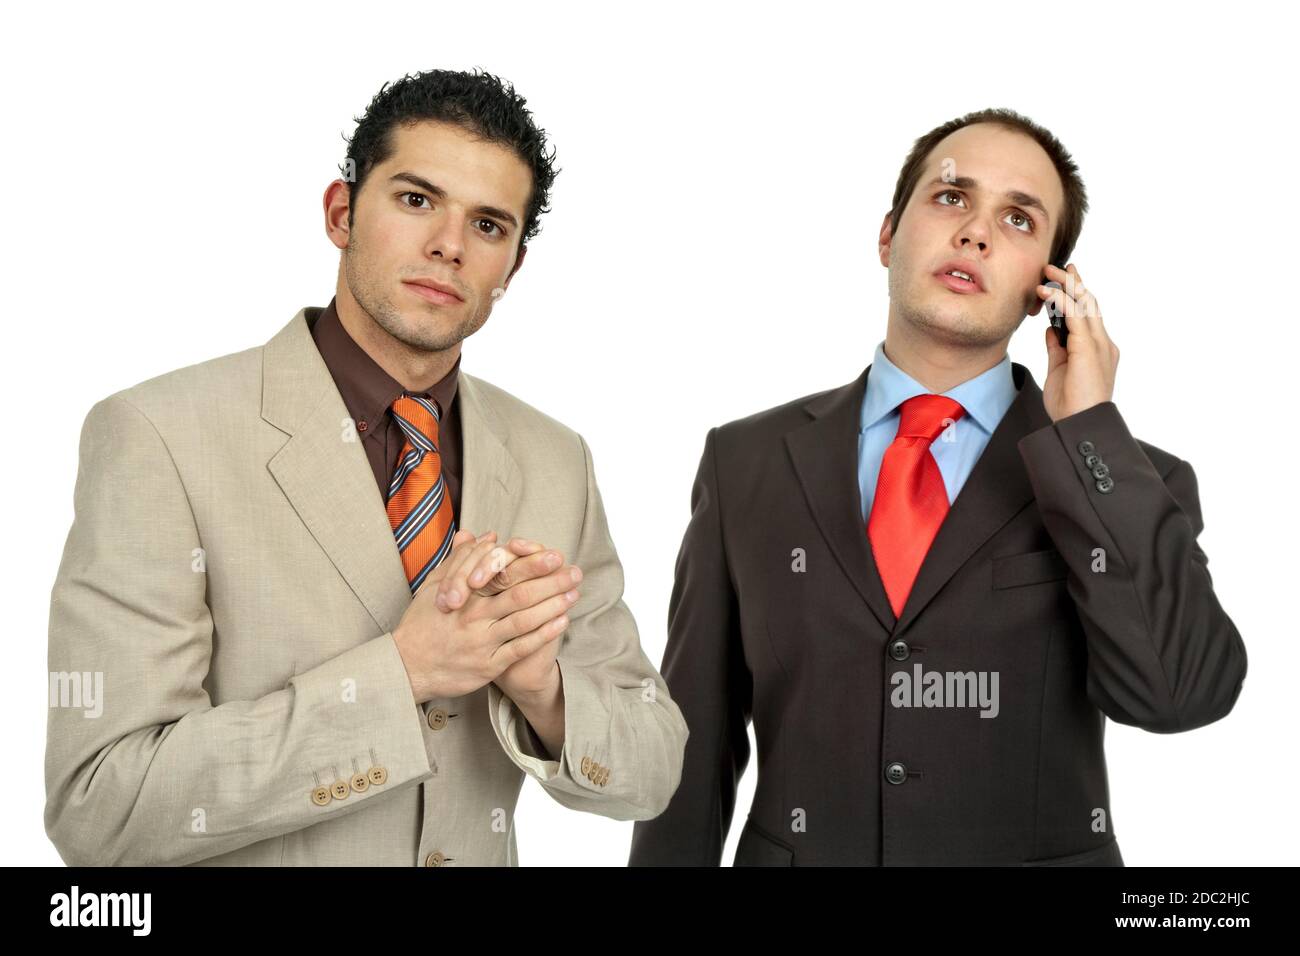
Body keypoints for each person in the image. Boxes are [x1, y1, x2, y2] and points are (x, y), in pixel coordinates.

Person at [45, 68, 687, 867]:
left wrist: (544, 692)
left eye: (488, 225)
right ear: (342, 213)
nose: (449, 244)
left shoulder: (556, 458)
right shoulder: (160, 435)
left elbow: (653, 770)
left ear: (512, 267)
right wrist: (400, 674)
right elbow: (102, 806)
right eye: (416, 200)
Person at [628, 108, 1246, 867]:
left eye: (1018, 218)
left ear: (1048, 288)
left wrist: (1089, 431)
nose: (976, 232)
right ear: (888, 236)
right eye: (952, 197)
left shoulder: (1127, 476)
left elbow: (1179, 693)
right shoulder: (745, 459)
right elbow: (693, 740)